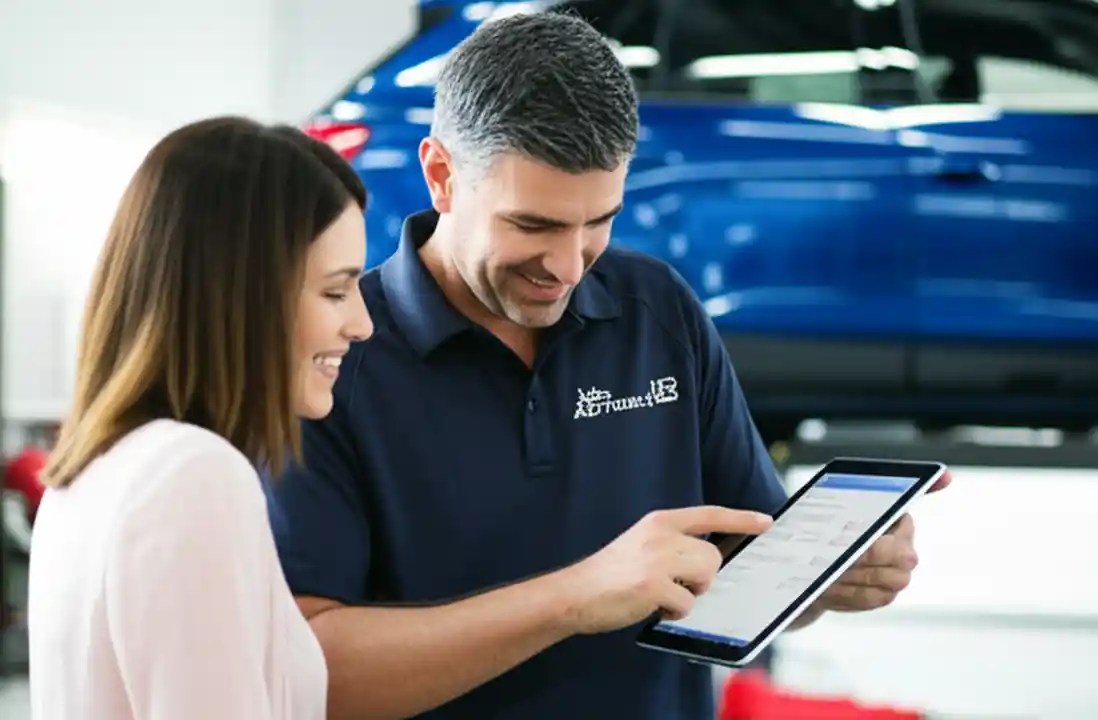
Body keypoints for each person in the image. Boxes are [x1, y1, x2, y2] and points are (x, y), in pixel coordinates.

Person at [265, 11, 951, 720]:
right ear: (441, 176)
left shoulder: (657, 308)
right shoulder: (334, 358)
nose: (568, 267)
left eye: (599, 221)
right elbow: (305, 676)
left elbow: (737, 575)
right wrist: (575, 598)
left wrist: (823, 578)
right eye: (533, 224)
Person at [27, 116, 374, 719]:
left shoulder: (92, 471)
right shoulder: (194, 474)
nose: (362, 324)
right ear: (245, 292)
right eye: (336, 292)